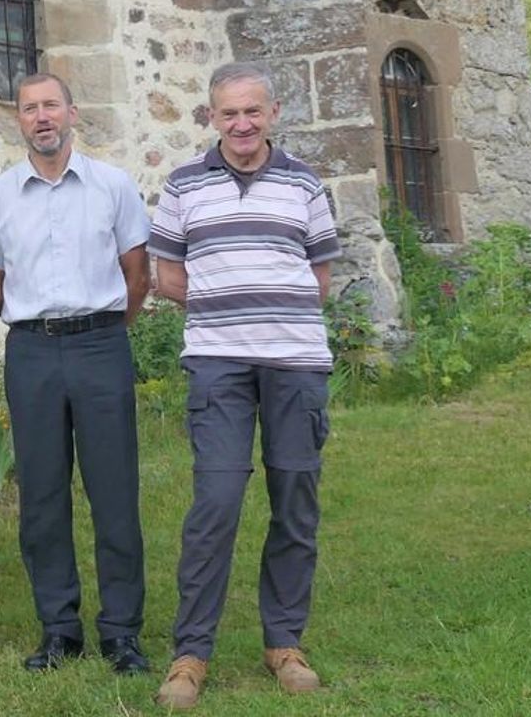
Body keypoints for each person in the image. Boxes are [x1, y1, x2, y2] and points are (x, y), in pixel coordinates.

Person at [148, 61, 342, 710]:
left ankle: (283, 643)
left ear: (273, 112)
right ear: (211, 117)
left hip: (295, 364)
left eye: (252, 111)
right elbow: (169, 276)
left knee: (295, 499)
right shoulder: (182, 186)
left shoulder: (305, 183)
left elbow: (319, 277)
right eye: (228, 112)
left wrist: (274, 320)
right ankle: (190, 653)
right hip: (217, 365)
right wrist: (231, 316)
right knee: (217, 503)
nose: (241, 123)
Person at [0, 73, 151, 675]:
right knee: (43, 499)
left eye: (52, 105)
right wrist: (39, 328)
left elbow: (137, 273)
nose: (42, 116)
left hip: (101, 345)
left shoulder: (112, 186)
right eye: (30, 108)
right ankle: (59, 629)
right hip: (33, 352)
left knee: (114, 493)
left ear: (73, 112)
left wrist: (101, 330)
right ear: (17, 120)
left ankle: (122, 631)